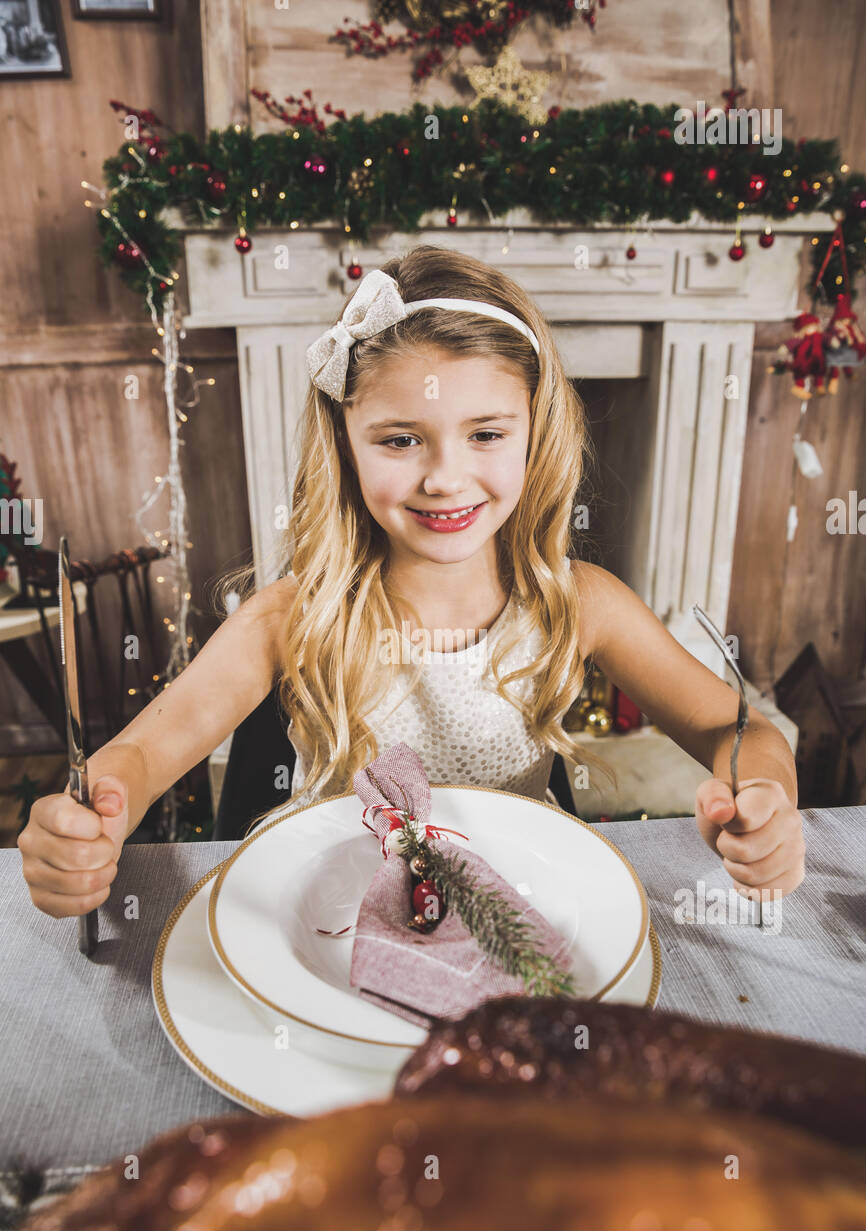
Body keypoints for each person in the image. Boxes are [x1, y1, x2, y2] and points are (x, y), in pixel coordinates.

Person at [19, 244, 805, 920]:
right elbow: (142, 756)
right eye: (401, 439)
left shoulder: (582, 601)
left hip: (520, 914)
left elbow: (743, 733)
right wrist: (98, 815)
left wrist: (763, 797)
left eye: (487, 434)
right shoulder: (289, 617)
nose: (445, 478)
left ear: (536, 434)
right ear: (348, 446)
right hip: (326, 917)